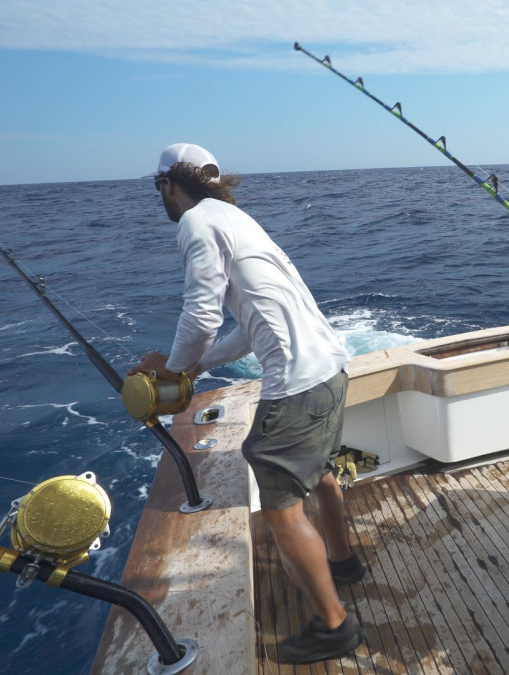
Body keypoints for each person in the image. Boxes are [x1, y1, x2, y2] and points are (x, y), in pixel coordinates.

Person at [128, 143, 365, 663]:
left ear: (169, 184)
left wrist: (171, 367)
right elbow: (251, 326)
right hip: (330, 370)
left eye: (159, 187)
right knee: (322, 470)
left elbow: (201, 315)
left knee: (282, 509)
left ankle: (334, 626)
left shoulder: (195, 222)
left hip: (296, 386)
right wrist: (197, 366)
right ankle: (344, 562)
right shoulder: (237, 219)